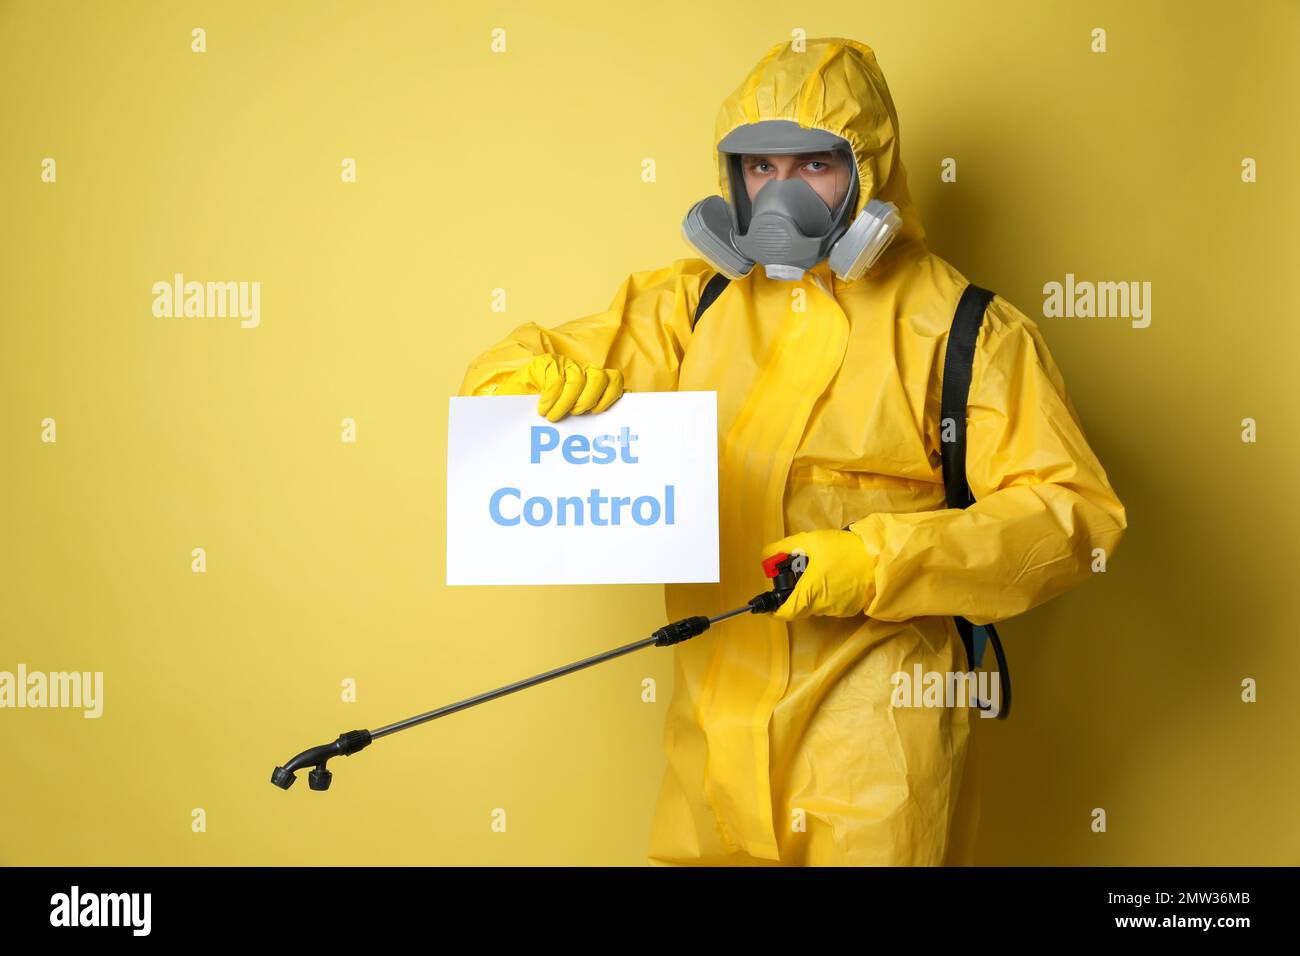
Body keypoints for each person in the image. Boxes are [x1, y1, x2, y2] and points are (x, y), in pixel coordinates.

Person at [458, 37, 1127, 866]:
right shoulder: (692, 309)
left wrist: (877, 562)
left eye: (813, 166)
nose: (782, 195)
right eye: (760, 168)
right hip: (709, 740)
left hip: (878, 746)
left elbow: (1072, 515)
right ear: (730, 178)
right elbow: (499, 378)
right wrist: (531, 384)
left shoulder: (960, 330)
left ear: (870, 169)